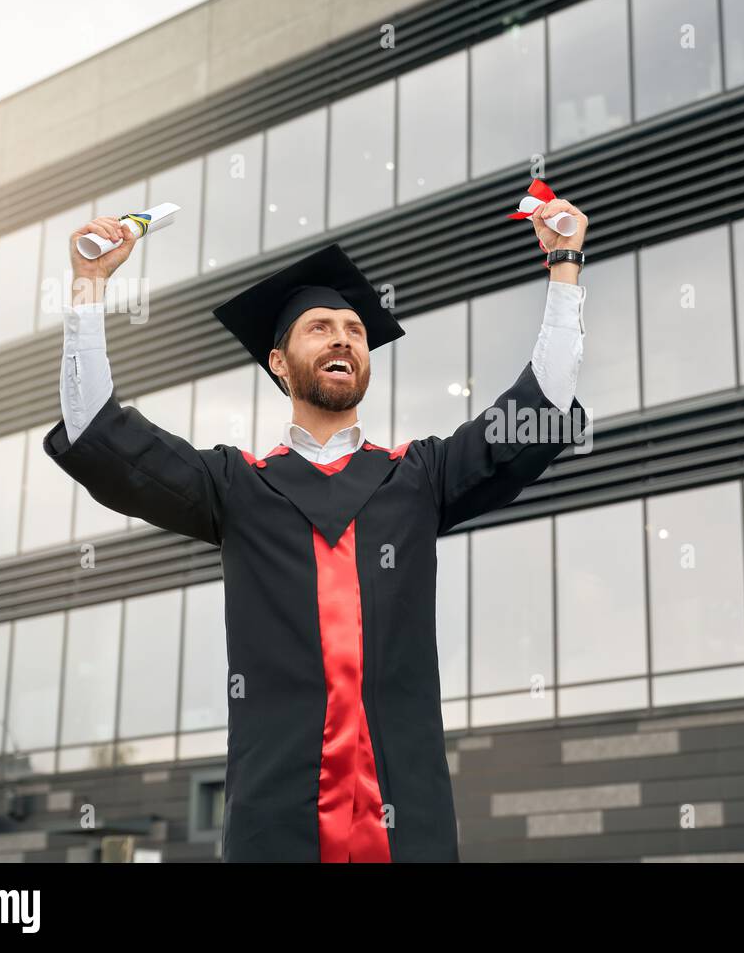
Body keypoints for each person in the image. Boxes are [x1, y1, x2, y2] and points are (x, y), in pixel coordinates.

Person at [45, 199, 589, 862]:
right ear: (279, 362)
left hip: (407, 821)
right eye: (320, 327)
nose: (342, 337)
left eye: (355, 329)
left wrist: (564, 265)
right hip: (276, 826)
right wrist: (89, 285)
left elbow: (545, 403)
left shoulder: (420, 478)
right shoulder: (235, 488)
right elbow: (95, 431)